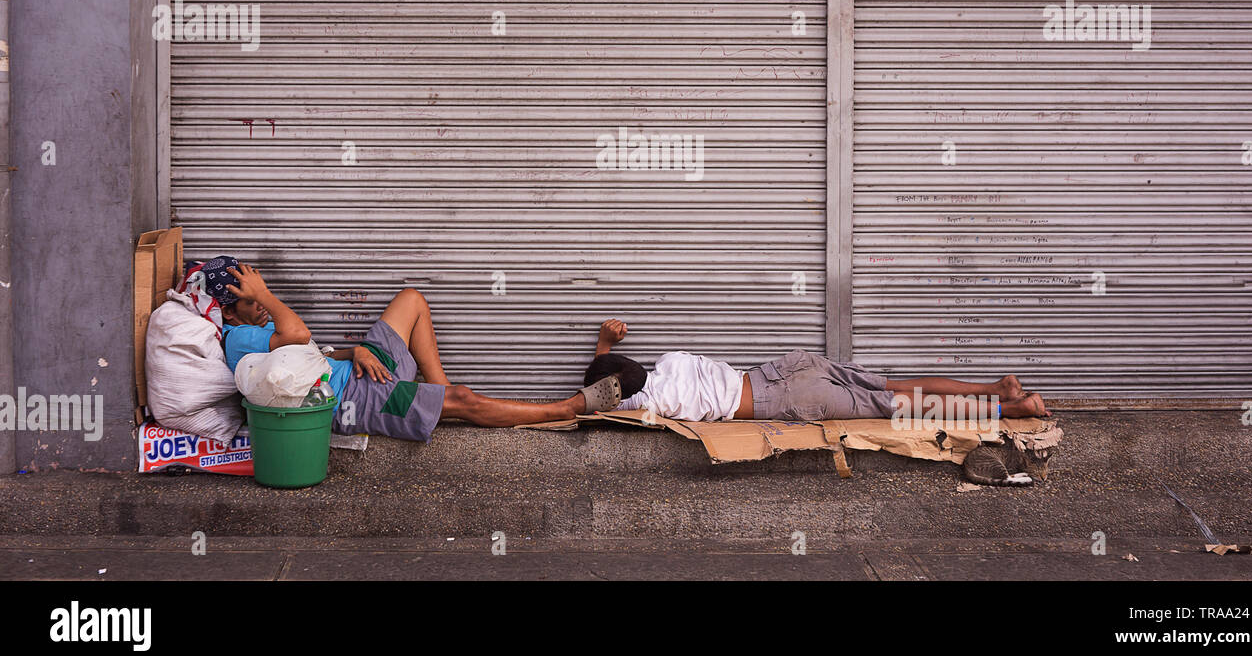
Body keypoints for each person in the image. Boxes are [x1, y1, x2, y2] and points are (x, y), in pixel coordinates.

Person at [196, 256, 623, 441]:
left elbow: (306, 355)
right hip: (354, 396)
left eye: (259, 295)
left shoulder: (255, 329)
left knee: (412, 299)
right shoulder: (238, 337)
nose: (261, 304)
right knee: (466, 400)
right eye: (251, 299)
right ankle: (567, 409)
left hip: (361, 368)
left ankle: (441, 397)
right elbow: (299, 334)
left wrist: (356, 351)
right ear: (230, 313)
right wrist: (268, 296)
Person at [584, 319, 1050, 423]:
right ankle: (997, 386)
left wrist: (603, 353)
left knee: (900, 407)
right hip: (788, 367)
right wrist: (607, 342)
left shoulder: (649, 403)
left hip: (787, 401)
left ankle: (1013, 409)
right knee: (896, 385)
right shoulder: (670, 361)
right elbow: (617, 370)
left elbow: (595, 401)